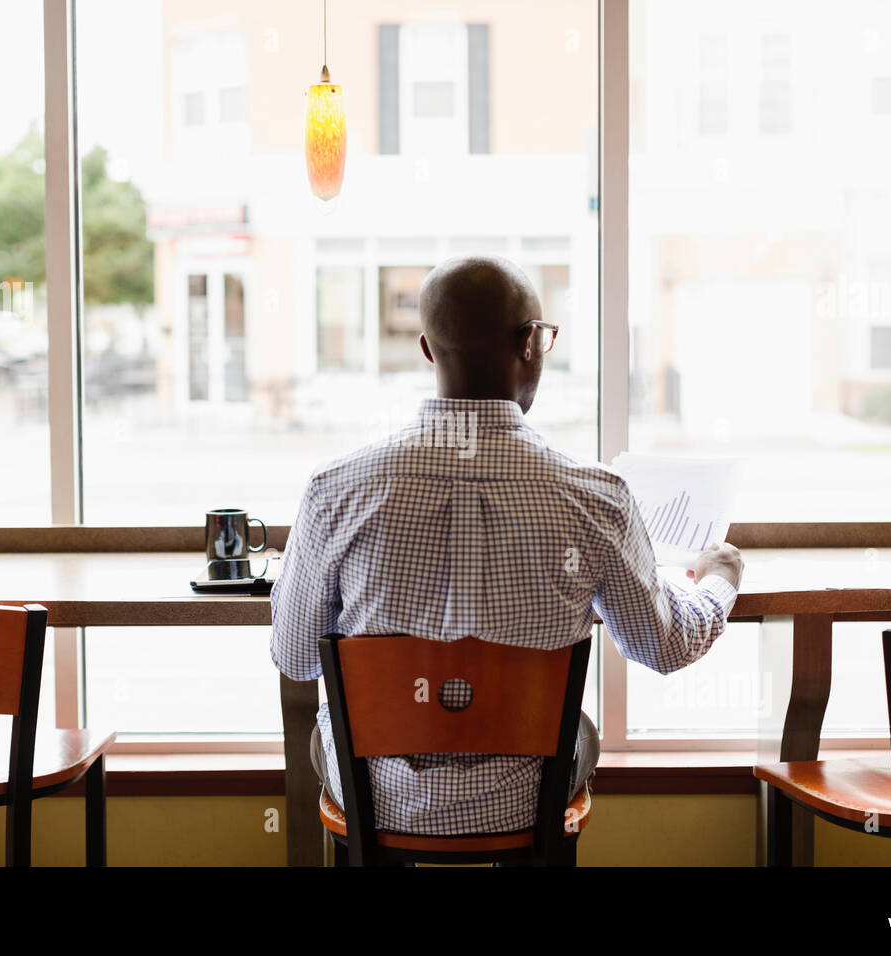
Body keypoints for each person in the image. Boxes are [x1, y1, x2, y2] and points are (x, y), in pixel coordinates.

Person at [270, 255, 742, 836]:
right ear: (530, 344)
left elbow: (293, 656)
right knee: (580, 734)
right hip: (528, 803)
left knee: (329, 732)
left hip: (380, 801)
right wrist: (719, 578)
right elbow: (664, 645)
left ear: (426, 349)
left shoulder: (334, 492)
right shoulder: (597, 498)